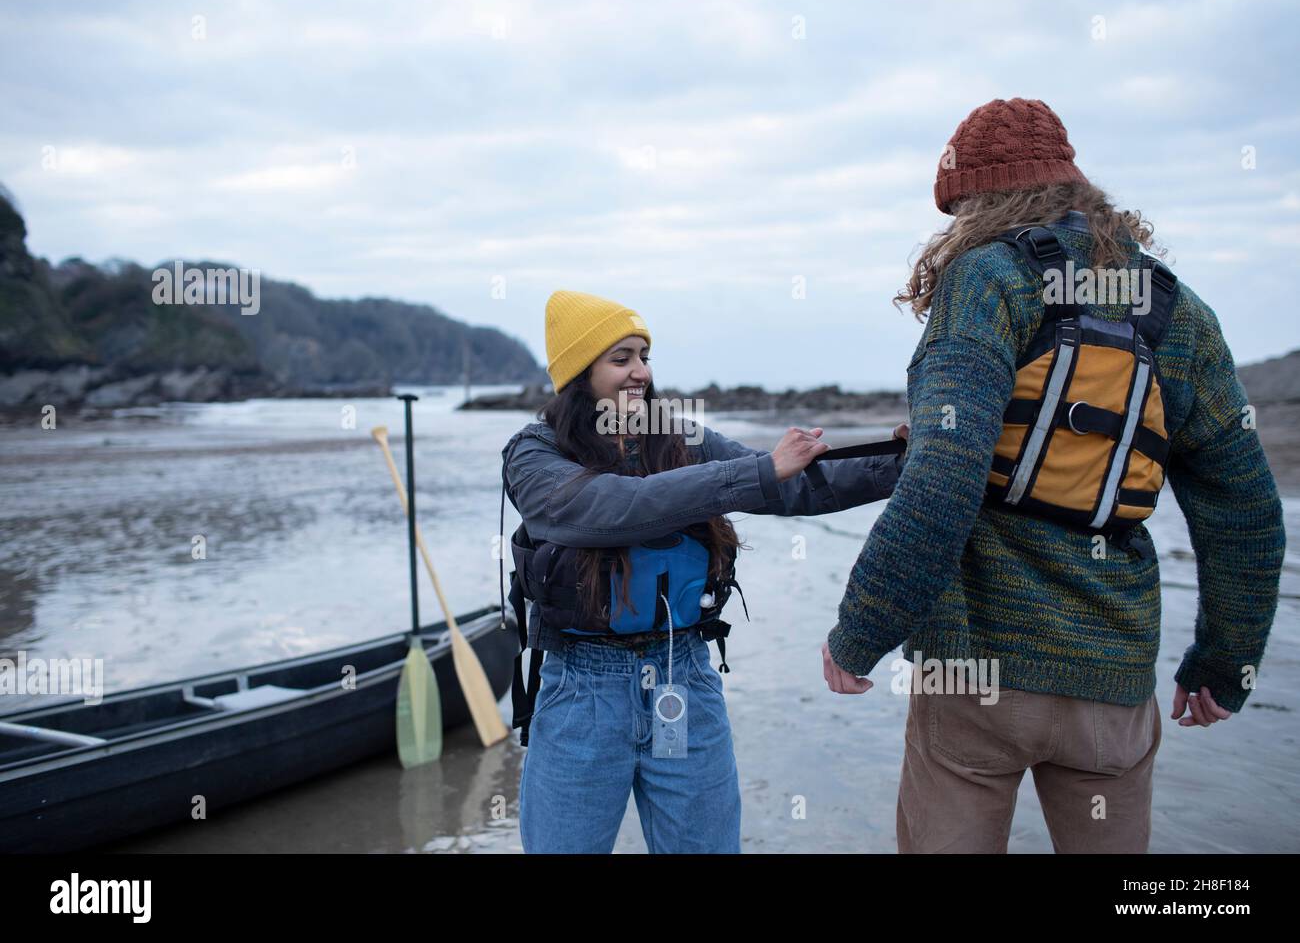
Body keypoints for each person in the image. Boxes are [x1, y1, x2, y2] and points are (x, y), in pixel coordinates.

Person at [822, 98, 1285, 853]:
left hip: (974, 682)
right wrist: (1225, 661)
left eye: (960, 205)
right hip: (1113, 682)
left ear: (981, 202)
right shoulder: (1178, 312)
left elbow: (943, 474)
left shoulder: (988, 280)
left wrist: (860, 631)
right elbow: (1247, 510)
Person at [502, 289, 908, 853]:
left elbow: (791, 487)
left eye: (643, 356)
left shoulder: (682, 439)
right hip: (581, 691)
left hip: (683, 677)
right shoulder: (533, 453)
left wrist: (903, 463)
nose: (640, 372)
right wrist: (759, 469)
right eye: (621, 359)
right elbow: (608, 507)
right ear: (578, 374)